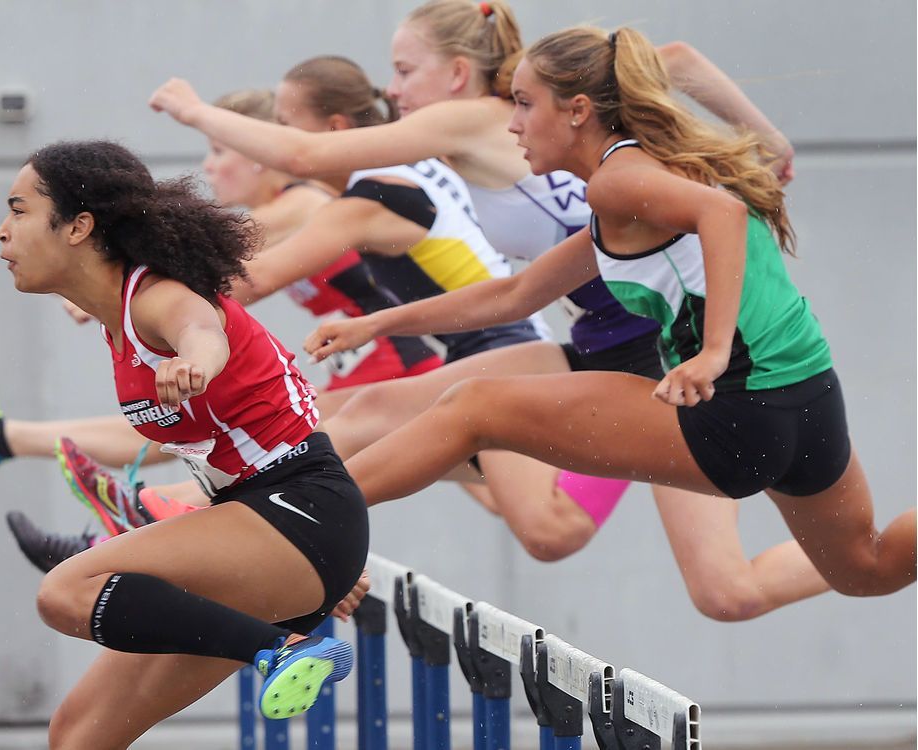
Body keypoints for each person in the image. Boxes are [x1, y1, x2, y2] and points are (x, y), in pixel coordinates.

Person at [148, 0, 829, 621]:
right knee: (722, 590)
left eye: (405, 70)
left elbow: (302, 153)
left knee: (574, 535)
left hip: (652, 348)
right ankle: (225, 518)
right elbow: (673, 59)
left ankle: (243, 522)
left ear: (456, 74)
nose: (393, 90)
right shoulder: (516, 117)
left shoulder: (474, 115)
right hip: (597, 336)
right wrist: (767, 138)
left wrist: (192, 109)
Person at [303, 24, 916, 599]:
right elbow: (515, 296)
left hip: (739, 409)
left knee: (473, 406)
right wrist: (376, 322)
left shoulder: (618, 180)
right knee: (868, 566)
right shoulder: (641, 180)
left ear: (577, 111)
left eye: (523, 104)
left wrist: (715, 351)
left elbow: (721, 216)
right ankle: (304, 518)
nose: (512, 126)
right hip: (809, 400)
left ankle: (299, 526)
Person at [0, 139, 369, 746]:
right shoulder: (117, 315)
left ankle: (282, 651)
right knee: (77, 734)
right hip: (268, 530)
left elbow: (203, 329)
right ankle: (282, 643)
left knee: (64, 592)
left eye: (18, 210)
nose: (1, 232)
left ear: (78, 227)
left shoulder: (157, 299)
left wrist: (194, 360)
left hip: (299, 514)